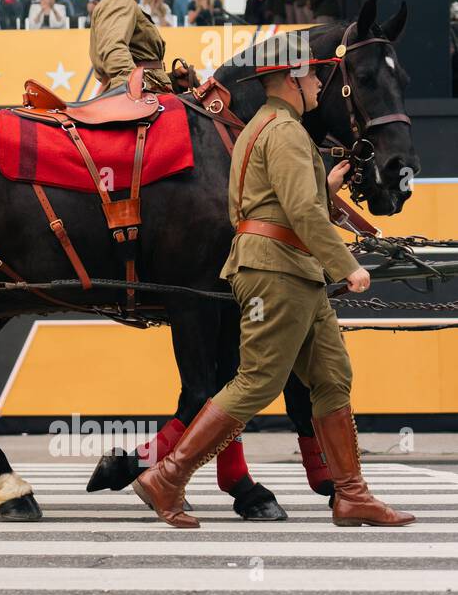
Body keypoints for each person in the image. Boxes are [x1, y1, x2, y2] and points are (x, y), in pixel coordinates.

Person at [132, 57, 414, 529]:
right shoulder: (283, 131)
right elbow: (301, 212)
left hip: (291, 267)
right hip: (278, 267)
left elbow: (280, 199)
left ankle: (351, 495)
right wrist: (345, 263)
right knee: (259, 379)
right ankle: (168, 476)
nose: (318, 83)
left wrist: (325, 184)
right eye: (310, 77)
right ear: (287, 81)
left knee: (332, 375)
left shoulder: (267, 128)